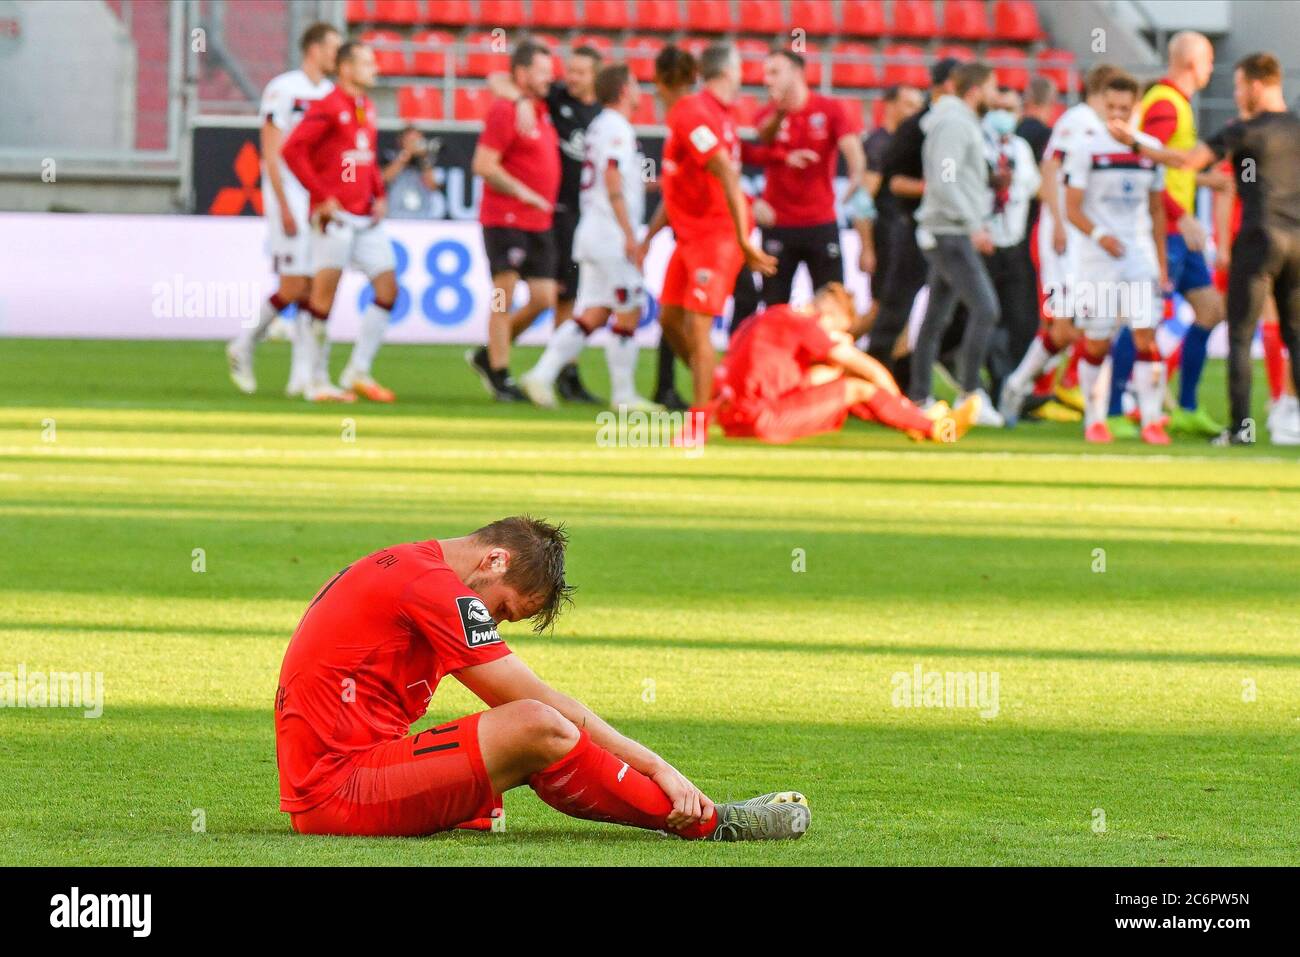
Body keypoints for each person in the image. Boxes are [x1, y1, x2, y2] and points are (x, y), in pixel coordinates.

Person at [275, 516, 810, 841]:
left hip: (338, 775)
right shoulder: (435, 589)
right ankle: (710, 821)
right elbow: (535, 702)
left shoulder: (407, 565)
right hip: (336, 792)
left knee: (518, 741)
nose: (496, 622)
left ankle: (464, 808)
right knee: (536, 726)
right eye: (504, 609)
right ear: (495, 559)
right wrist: (656, 765)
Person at [1111, 52, 1300, 445]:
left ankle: (1241, 430)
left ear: (1256, 86)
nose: (1235, 95)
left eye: (1237, 86)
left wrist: (1136, 143)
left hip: (1258, 238)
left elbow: (1185, 160)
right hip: (1297, 239)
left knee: (1239, 337)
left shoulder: (1244, 130)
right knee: (1295, 334)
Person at [640, 43, 777, 443]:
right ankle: (720, 388)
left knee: (698, 330)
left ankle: (697, 425)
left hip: (716, 237)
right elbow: (678, 186)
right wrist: (648, 238)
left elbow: (727, 175)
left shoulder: (688, 115)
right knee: (668, 319)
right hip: (691, 236)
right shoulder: (706, 114)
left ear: (659, 81)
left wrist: (743, 240)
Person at [518, 65, 659, 412]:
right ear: (625, 90)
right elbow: (611, 176)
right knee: (630, 308)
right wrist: (630, 234)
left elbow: (619, 178)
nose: (642, 92)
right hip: (610, 234)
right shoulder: (615, 127)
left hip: (594, 231)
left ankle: (541, 375)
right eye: (637, 85)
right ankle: (624, 396)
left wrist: (665, 181)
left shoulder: (601, 125)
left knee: (594, 313)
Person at [998, 64, 1117, 427]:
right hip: (1063, 241)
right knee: (1066, 328)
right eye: (1115, 101)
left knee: (1082, 327)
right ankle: (1023, 389)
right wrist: (1059, 222)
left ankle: (1025, 389)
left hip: (1089, 240)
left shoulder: (1105, 128)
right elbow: (1050, 168)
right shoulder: (1079, 120)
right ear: (1099, 93)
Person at [488, 45, 606, 404]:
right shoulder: (550, 98)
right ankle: (497, 360)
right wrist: (520, 100)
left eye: (580, 72)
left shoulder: (601, 117)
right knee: (514, 294)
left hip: (577, 215)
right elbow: (497, 78)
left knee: (565, 297)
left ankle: (560, 371)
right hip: (545, 215)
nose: (570, 77)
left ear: (596, 78)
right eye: (569, 70)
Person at [281, 41, 398, 403]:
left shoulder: (365, 106)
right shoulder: (328, 105)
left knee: (388, 289)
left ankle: (357, 370)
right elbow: (292, 150)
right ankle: (315, 380)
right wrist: (320, 196)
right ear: (345, 68)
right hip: (336, 217)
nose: (375, 69)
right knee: (323, 296)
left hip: (364, 214)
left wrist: (378, 192)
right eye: (367, 62)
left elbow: (364, 155)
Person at [226, 22, 339, 398]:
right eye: (331, 48)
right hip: (288, 196)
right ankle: (244, 343)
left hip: (315, 197)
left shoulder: (330, 93)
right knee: (296, 285)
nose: (336, 56)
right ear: (313, 49)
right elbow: (271, 150)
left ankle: (300, 376)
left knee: (311, 285)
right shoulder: (284, 89)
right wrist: (283, 204)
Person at [715, 283, 978, 444]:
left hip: (733, 417)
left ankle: (912, 423)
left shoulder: (770, 317)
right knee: (856, 388)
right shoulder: (804, 325)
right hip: (760, 418)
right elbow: (871, 371)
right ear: (827, 317)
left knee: (837, 381)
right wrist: (906, 406)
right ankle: (932, 427)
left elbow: (803, 380)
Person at [1126, 31, 1227, 437]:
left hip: (1178, 228)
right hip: (1165, 229)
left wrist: (1203, 183)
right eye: (1208, 61)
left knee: (1210, 310)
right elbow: (1146, 164)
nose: (1210, 69)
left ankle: (1184, 405)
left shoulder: (1175, 102)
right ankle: (1119, 405)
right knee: (1144, 319)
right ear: (1192, 62)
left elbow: (1172, 166)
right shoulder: (1166, 103)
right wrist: (1177, 214)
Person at [1064, 71, 1169, 444]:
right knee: (1097, 340)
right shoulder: (1085, 148)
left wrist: (1162, 263)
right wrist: (1099, 235)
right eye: (1111, 108)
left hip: (1137, 255)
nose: (1117, 115)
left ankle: (1152, 420)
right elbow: (1072, 208)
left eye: (1125, 108)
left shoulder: (1149, 149)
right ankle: (1094, 418)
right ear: (1101, 106)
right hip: (1098, 258)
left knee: (1146, 335)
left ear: (1137, 108)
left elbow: (1157, 211)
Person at [908, 61, 1004, 425]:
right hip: (948, 230)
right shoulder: (954, 124)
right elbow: (945, 181)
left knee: (935, 317)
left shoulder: (959, 123)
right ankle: (969, 393)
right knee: (986, 309)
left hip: (947, 228)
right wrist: (972, 223)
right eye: (993, 88)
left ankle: (919, 395)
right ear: (975, 90)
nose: (997, 97)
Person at [468, 40, 561, 402]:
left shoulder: (538, 108)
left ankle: (488, 353)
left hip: (538, 220)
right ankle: (500, 373)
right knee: (502, 296)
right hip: (506, 217)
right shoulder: (507, 111)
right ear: (522, 74)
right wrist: (523, 193)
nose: (549, 77)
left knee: (543, 298)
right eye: (541, 71)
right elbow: (483, 165)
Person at [867, 58, 961, 388]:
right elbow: (893, 182)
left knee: (954, 312)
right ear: (947, 84)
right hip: (915, 228)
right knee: (895, 308)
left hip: (953, 231)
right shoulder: (917, 127)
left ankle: (913, 381)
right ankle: (873, 380)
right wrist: (933, 188)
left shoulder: (962, 124)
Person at [747, 48, 866, 307]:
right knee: (774, 305)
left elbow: (853, 151)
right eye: (766, 73)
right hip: (777, 222)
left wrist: (857, 175)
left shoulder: (830, 109)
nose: (768, 79)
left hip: (820, 222)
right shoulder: (767, 114)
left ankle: (825, 349)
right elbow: (763, 137)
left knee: (832, 304)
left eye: (775, 72)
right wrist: (780, 112)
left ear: (797, 72)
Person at [981, 88, 1042, 404]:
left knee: (1021, 319)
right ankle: (990, 385)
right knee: (986, 317)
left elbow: (1033, 188)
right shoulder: (977, 144)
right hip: (983, 245)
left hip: (1014, 245)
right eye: (997, 107)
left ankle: (1014, 389)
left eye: (1010, 109)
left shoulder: (1021, 148)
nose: (1003, 115)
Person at [858, 84, 923, 330]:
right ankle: (835, 348)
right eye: (909, 105)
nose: (914, 112)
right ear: (890, 105)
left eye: (917, 106)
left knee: (898, 309)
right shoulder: (880, 144)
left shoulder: (908, 141)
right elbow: (862, 203)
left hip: (902, 234)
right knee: (881, 308)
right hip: (886, 236)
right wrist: (867, 248)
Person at [382, 126, 442, 218]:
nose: (414, 144)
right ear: (401, 140)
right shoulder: (390, 156)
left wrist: (423, 158)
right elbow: (384, 178)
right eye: (411, 140)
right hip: (394, 216)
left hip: (421, 217)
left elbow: (433, 186)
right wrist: (407, 153)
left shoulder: (426, 160)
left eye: (417, 140)